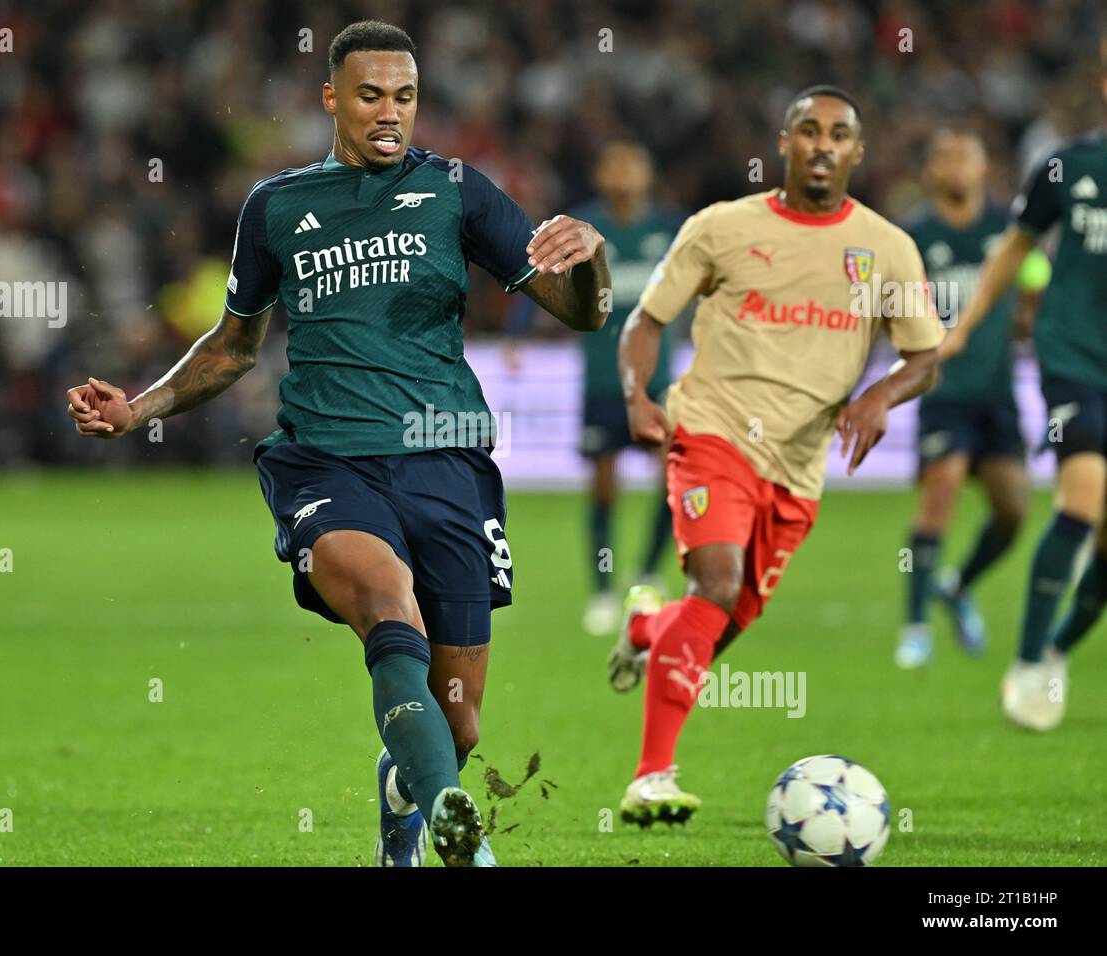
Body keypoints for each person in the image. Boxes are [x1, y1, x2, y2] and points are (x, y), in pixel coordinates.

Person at [66, 20, 610, 865]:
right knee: (388, 605)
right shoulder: (277, 206)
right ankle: (459, 834)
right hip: (328, 460)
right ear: (330, 98)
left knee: (458, 723)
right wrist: (140, 408)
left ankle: (406, 790)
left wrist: (594, 260)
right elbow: (233, 347)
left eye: (406, 96)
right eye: (370, 95)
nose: (390, 112)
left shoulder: (457, 191)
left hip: (447, 459)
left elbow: (581, 313)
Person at [609, 86, 942, 826]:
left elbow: (925, 356)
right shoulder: (721, 227)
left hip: (797, 467)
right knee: (716, 584)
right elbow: (645, 322)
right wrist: (638, 396)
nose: (823, 145)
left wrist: (882, 394)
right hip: (713, 432)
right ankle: (651, 777)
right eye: (809, 130)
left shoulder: (888, 248)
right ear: (785, 143)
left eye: (839, 134)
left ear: (857, 151)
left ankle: (646, 630)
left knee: (719, 620)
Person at [940, 45, 1107, 731]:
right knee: (1083, 496)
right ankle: (1029, 660)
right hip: (1074, 356)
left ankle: (1058, 650)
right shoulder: (1069, 167)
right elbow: (1014, 247)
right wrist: (965, 324)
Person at [507, 142, 685, 636]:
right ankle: (604, 592)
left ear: (649, 175)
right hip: (603, 382)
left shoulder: (670, 230)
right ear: (600, 175)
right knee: (604, 488)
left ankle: (646, 573)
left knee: (674, 481)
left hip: (656, 383)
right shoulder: (581, 228)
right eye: (615, 164)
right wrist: (516, 334)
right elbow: (536, 275)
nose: (624, 173)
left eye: (633, 164)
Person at [894, 128, 1048, 670]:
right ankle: (915, 628)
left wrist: (1029, 314)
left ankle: (957, 586)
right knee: (941, 493)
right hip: (944, 392)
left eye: (967, 158)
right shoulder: (914, 238)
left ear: (985, 169)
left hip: (998, 394)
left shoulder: (1009, 229)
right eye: (947, 158)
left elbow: (1035, 280)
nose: (957, 167)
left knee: (1014, 512)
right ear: (930, 172)